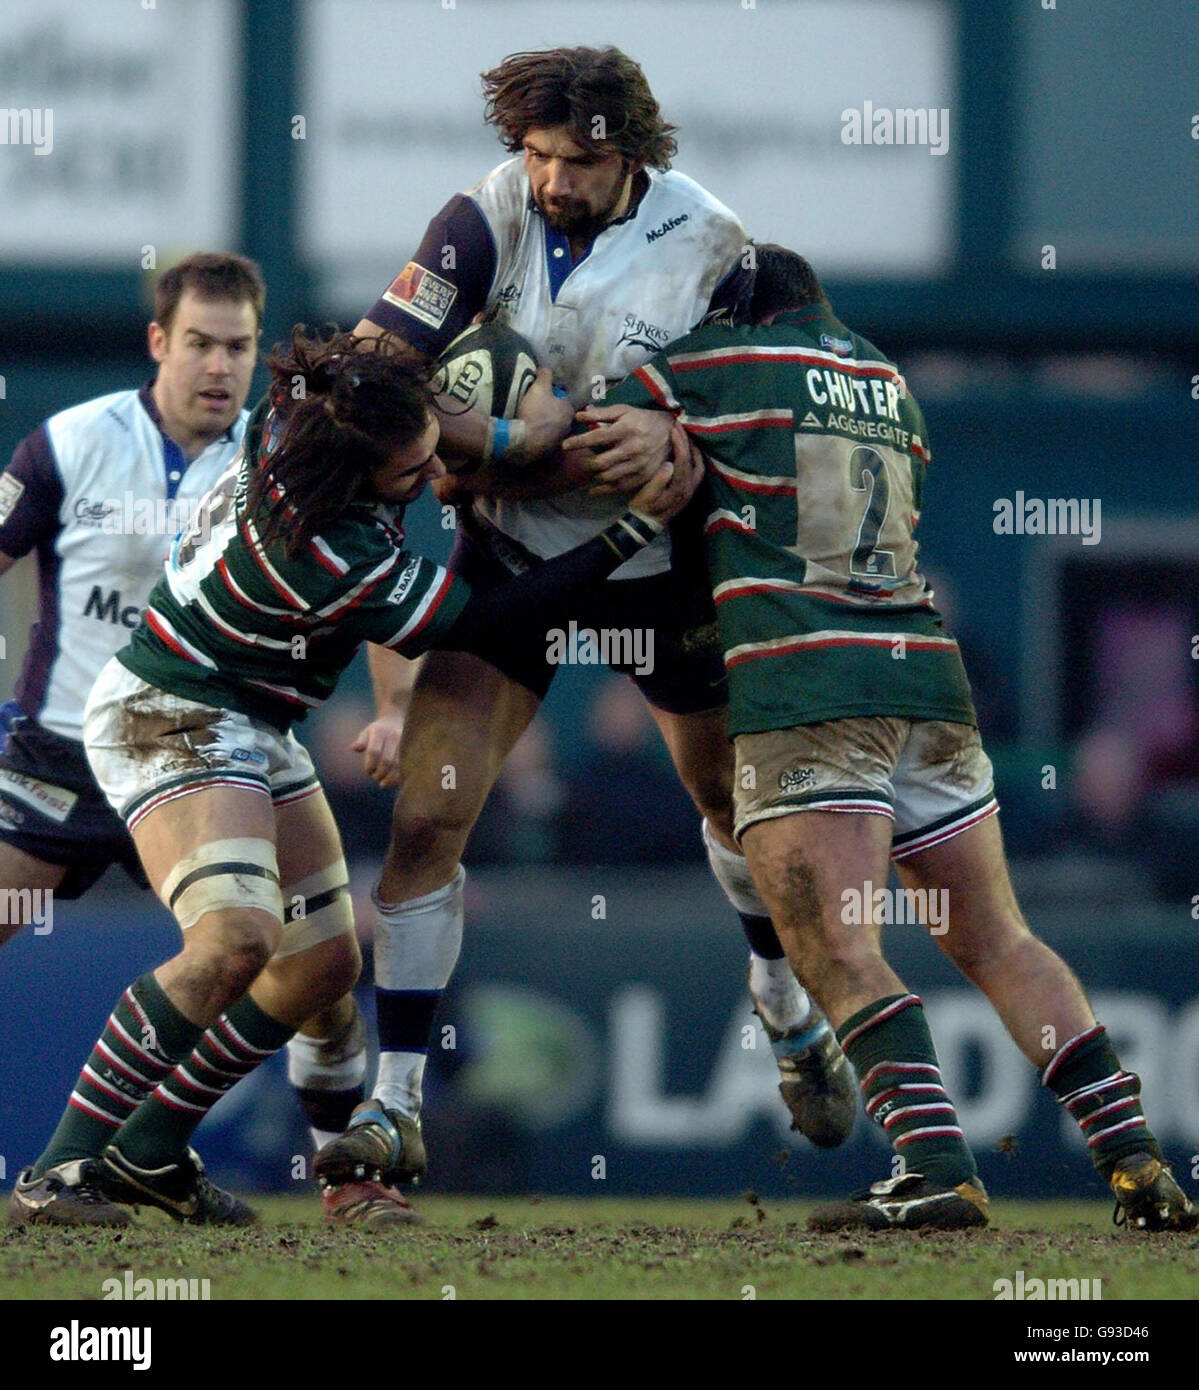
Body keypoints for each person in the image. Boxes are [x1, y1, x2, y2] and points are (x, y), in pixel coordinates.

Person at [314, 48, 854, 1219]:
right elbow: (369, 375)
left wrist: (686, 451)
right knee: (426, 814)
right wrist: (494, 444)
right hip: (515, 559)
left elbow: (783, 419)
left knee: (725, 806)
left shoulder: (716, 247)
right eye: (539, 153)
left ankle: (778, 994)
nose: (553, 178)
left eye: (582, 159)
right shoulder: (476, 218)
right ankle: (395, 1100)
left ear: (636, 154)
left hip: (660, 569)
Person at [7, 329, 701, 1227]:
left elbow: (381, 388)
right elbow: (492, 619)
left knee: (325, 966)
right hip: (172, 710)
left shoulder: (299, 425)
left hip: (252, 714)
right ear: (355, 472)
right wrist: (631, 529)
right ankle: (56, 1172)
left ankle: (147, 1148)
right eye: (410, 470)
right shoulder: (327, 555)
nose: (428, 475)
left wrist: (487, 417)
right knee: (234, 942)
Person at [602, 244, 1198, 1232]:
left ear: (737, 312)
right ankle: (1137, 1162)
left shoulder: (729, 364)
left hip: (810, 687)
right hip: (925, 680)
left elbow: (598, 422)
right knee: (998, 939)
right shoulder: (886, 382)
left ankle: (933, 1168)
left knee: (835, 949)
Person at [0, 253, 376, 1199]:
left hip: (216, 749)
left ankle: (337, 1178)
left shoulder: (282, 462)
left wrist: (402, 708)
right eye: (200, 343)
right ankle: (113, 1160)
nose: (219, 366)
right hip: (64, 758)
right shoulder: (68, 442)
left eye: (239, 347)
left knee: (322, 970)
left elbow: (373, 591)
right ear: (160, 342)